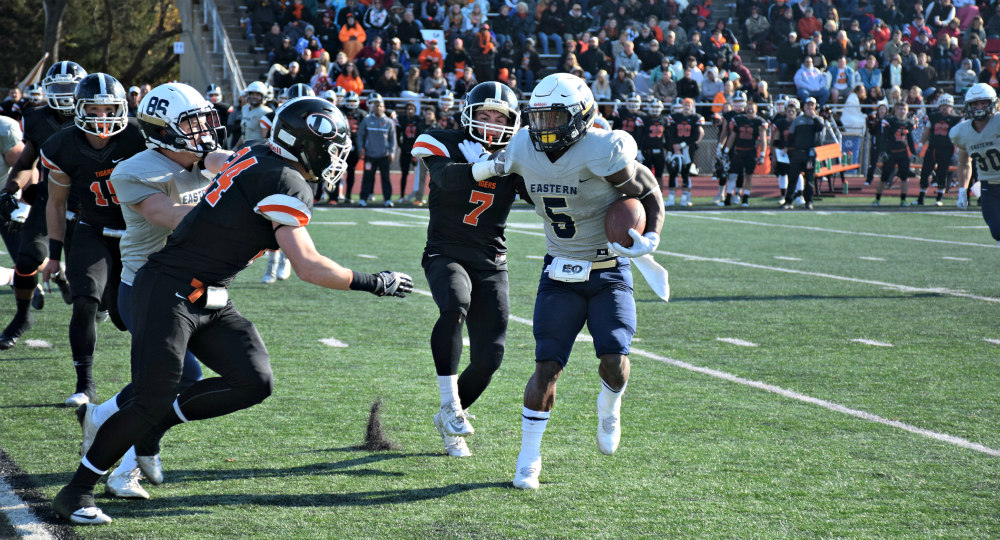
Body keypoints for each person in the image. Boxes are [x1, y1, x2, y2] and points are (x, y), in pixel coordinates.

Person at [51, 97, 414, 525]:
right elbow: (310, 267)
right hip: (169, 290)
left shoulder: (258, 152)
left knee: (253, 380)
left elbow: (222, 157)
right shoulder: (286, 182)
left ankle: (156, 420)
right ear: (306, 143)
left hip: (209, 293)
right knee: (151, 397)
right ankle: (75, 491)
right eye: (332, 146)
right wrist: (375, 282)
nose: (337, 156)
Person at [469, 73, 665, 489]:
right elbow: (503, 177)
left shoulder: (601, 149)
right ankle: (528, 456)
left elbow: (648, 191)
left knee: (613, 359)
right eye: (539, 117)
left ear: (580, 115)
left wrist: (651, 236)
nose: (545, 127)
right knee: (546, 366)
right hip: (559, 269)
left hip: (608, 270)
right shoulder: (522, 143)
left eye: (556, 116)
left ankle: (609, 405)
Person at [80, 82, 232, 499]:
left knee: (174, 380)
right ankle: (124, 467)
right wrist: (236, 199)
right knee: (176, 380)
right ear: (163, 129)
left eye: (205, 121)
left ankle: (103, 414)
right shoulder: (135, 169)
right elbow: (172, 216)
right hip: (145, 289)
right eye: (192, 123)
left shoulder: (201, 158)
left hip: (196, 288)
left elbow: (221, 160)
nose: (204, 131)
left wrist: (237, 167)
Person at [410, 81, 522, 457]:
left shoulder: (518, 153)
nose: (492, 123)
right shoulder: (440, 139)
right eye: (486, 115)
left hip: (492, 260)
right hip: (446, 251)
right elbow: (445, 176)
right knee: (455, 304)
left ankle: (453, 416)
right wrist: (494, 164)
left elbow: (545, 195)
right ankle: (450, 406)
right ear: (469, 115)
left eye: (500, 117)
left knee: (490, 357)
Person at [38, 73, 143, 407]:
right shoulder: (62, 145)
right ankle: (85, 384)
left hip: (137, 233)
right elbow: (56, 203)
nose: (102, 117)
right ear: (78, 108)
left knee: (126, 318)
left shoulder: (140, 136)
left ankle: (146, 380)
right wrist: (54, 255)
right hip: (91, 229)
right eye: (93, 110)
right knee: (84, 301)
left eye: (109, 108)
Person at [0, 61, 86, 349]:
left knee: (89, 284)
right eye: (57, 88)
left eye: (69, 89)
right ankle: (22, 316)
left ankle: (67, 278)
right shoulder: (37, 118)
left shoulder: (94, 116)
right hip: (50, 198)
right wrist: (10, 191)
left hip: (90, 203)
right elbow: (26, 162)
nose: (63, 95)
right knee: (26, 260)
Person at [951, 83, 1000, 242]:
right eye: (975, 103)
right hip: (989, 188)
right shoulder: (961, 132)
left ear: (993, 103)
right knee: (997, 231)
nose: (979, 107)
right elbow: (964, 163)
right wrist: (962, 190)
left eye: (984, 103)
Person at [917, 94, 961, 206]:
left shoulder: (956, 118)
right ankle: (921, 198)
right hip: (933, 148)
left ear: (951, 107)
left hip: (947, 149)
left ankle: (939, 198)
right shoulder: (933, 116)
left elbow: (960, 134)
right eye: (942, 106)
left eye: (947, 106)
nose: (944, 108)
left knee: (942, 173)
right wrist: (921, 143)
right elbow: (927, 131)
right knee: (925, 172)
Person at [781, 96, 824, 210]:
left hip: (810, 154)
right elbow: (791, 135)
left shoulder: (817, 119)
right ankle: (788, 201)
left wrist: (813, 116)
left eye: (812, 105)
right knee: (793, 177)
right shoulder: (797, 120)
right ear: (804, 106)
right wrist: (786, 147)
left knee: (809, 180)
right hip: (797, 152)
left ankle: (808, 201)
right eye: (808, 105)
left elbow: (820, 128)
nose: (809, 107)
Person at [722, 101, 767, 207]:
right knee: (732, 175)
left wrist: (763, 154)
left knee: (749, 176)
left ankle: (745, 199)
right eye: (749, 108)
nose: (750, 110)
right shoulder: (738, 119)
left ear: (756, 110)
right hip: (738, 150)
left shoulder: (759, 121)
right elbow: (732, 136)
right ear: (745, 109)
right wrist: (726, 150)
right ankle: (728, 198)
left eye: (752, 108)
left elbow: (763, 139)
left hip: (751, 151)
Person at [873, 101, 917, 207]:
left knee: (904, 177)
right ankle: (877, 199)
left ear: (907, 110)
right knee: (884, 177)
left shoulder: (908, 123)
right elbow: (883, 138)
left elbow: (910, 139)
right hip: (891, 153)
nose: (902, 111)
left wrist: (913, 152)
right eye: (900, 109)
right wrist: (883, 151)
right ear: (896, 110)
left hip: (903, 153)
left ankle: (903, 199)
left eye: (904, 109)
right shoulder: (890, 121)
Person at [356, 94, 397, 207]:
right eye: (376, 106)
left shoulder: (389, 122)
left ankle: (388, 199)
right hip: (370, 155)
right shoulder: (367, 120)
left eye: (381, 106)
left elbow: (393, 139)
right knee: (367, 178)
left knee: (386, 178)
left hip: (384, 155)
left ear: (384, 108)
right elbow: (360, 136)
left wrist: (392, 152)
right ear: (373, 107)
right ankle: (363, 199)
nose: (378, 108)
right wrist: (360, 149)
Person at [666, 98, 703, 207]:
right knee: (672, 172)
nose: (687, 107)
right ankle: (671, 198)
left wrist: (682, 145)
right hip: (675, 148)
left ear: (692, 107)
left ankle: (684, 198)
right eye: (685, 105)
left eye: (689, 105)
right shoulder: (675, 117)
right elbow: (670, 133)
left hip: (688, 148)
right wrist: (673, 146)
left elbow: (695, 136)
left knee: (685, 173)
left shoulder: (695, 118)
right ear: (682, 106)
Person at [238, 81, 272, 145]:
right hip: (245, 147)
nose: (254, 97)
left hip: (258, 148)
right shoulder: (245, 108)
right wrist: (236, 147)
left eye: (258, 95)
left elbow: (268, 138)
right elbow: (245, 133)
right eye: (252, 94)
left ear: (263, 96)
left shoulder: (267, 112)